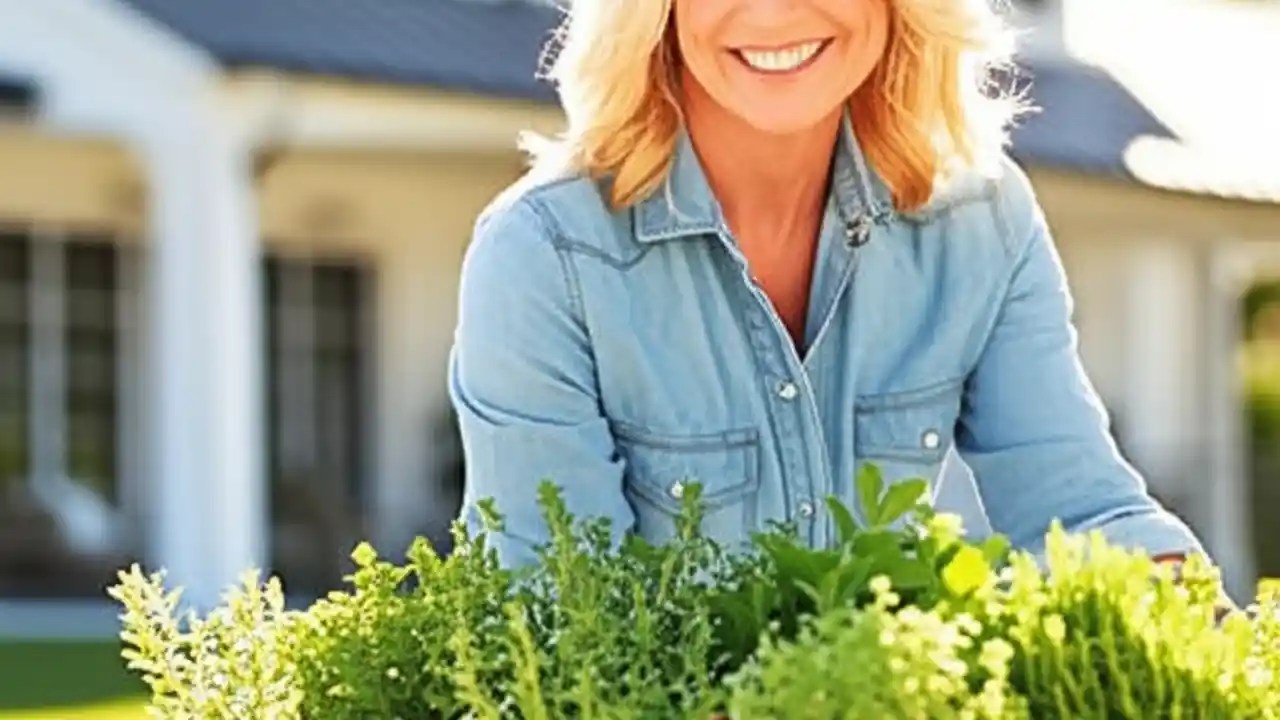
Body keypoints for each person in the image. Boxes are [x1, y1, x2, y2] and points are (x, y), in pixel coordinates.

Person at [447, 0, 1208, 573]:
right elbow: (556, 617)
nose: (775, 10)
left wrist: (1172, 600)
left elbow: (1081, 512)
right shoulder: (546, 257)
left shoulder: (980, 221)